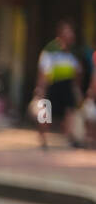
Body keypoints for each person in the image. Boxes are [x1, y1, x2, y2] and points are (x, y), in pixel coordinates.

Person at [35, 20, 82, 149]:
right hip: (52, 84)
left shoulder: (73, 51)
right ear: (60, 34)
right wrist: (41, 88)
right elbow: (43, 70)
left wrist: (76, 88)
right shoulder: (51, 49)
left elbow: (77, 71)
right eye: (67, 32)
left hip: (66, 85)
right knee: (46, 112)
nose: (70, 35)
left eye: (71, 33)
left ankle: (69, 138)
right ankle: (42, 137)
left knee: (69, 111)